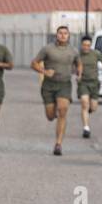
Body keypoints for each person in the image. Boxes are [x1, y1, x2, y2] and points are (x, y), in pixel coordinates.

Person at [32, 25, 79, 156]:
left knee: (63, 110)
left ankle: (58, 144)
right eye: (60, 33)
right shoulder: (47, 49)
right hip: (48, 86)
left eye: (65, 33)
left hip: (64, 85)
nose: (63, 35)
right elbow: (34, 63)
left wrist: (79, 73)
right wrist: (44, 71)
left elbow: (78, 63)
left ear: (69, 36)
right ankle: (55, 115)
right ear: (56, 35)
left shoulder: (73, 51)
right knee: (50, 116)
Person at [76, 35, 102, 139]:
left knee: (93, 107)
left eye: (88, 45)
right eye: (84, 45)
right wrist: (77, 75)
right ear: (81, 45)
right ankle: (86, 128)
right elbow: (71, 66)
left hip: (94, 83)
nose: (86, 47)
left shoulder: (96, 54)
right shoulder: (77, 55)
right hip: (83, 83)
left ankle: (87, 111)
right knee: (84, 104)